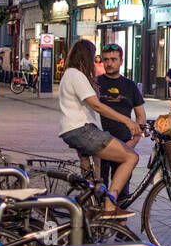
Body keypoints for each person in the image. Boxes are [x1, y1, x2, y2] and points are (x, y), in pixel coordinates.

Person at [57, 39, 140, 218]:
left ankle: (89, 215)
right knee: (131, 157)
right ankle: (110, 206)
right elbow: (97, 106)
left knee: (94, 182)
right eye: (97, 58)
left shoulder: (70, 75)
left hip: (77, 131)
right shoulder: (77, 75)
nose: (99, 63)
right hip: (83, 131)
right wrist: (128, 121)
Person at [96, 43, 146, 201]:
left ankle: (118, 225)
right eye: (106, 60)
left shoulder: (130, 85)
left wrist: (134, 141)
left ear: (121, 61)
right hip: (99, 142)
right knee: (99, 191)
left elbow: (140, 116)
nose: (109, 63)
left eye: (113, 59)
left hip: (123, 142)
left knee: (122, 193)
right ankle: (98, 224)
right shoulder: (95, 83)